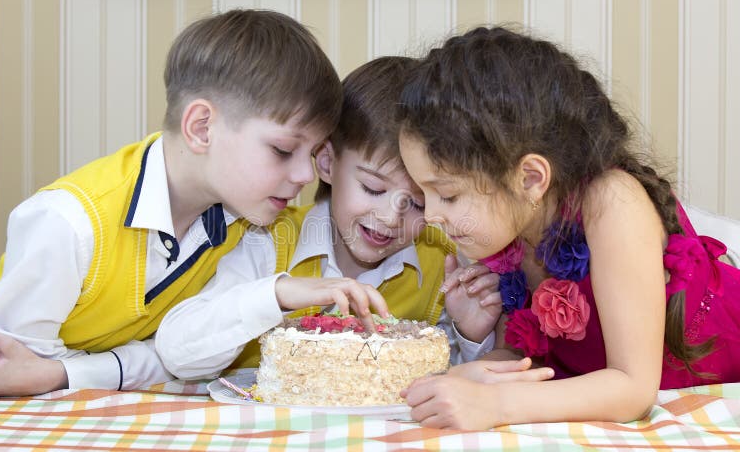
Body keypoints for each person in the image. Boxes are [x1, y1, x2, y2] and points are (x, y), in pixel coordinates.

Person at [0, 9, 348, 396]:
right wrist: (81, 371)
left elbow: (183, 357)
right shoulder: (68, 222)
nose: (305, 176)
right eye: (282, 150)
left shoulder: (246, 219)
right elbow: (15, 371)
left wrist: (66, 372)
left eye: (312, 154)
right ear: (202, 128)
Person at [397, 26, 740, 430]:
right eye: (423, 192)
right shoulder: (503, 226)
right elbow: (532, 362)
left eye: (448, 195)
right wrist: (479, 373)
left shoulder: (612, 204)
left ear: (529, 179)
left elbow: (633, 388)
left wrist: (496, 405)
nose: (432, 214)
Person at [154, 56, 553, 380]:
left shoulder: (442, 267)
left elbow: (449, 390)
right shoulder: (267, 239)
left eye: (417, 203)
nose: (389, 217)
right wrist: (278, 294)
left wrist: (469, 335)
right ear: (327, 162)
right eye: (373, 189)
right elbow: (177, 355)